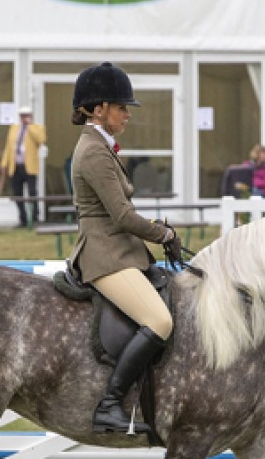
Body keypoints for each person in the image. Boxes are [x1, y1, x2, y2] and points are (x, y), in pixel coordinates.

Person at [67, 62, 181, 434]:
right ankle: (110, 404)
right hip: (105, 256)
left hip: (121, 251)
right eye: (121, 107)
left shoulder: (100, 146)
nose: (127, 115)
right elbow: (122, 216)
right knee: (160, 321)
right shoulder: (94, 152)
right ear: (97, 108)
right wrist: (164, 235)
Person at [0, 105, 47, 227]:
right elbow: (9, 148)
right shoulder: (14, 129)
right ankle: (23, 219)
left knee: (32, 192)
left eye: (26, 115)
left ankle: (35, 218)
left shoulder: (37, 128)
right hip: (16, 166)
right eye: (22, 116)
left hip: (29, 166)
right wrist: (4, 163)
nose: (24, 118)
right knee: (17, 193)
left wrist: (29, 126)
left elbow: (41, 140)